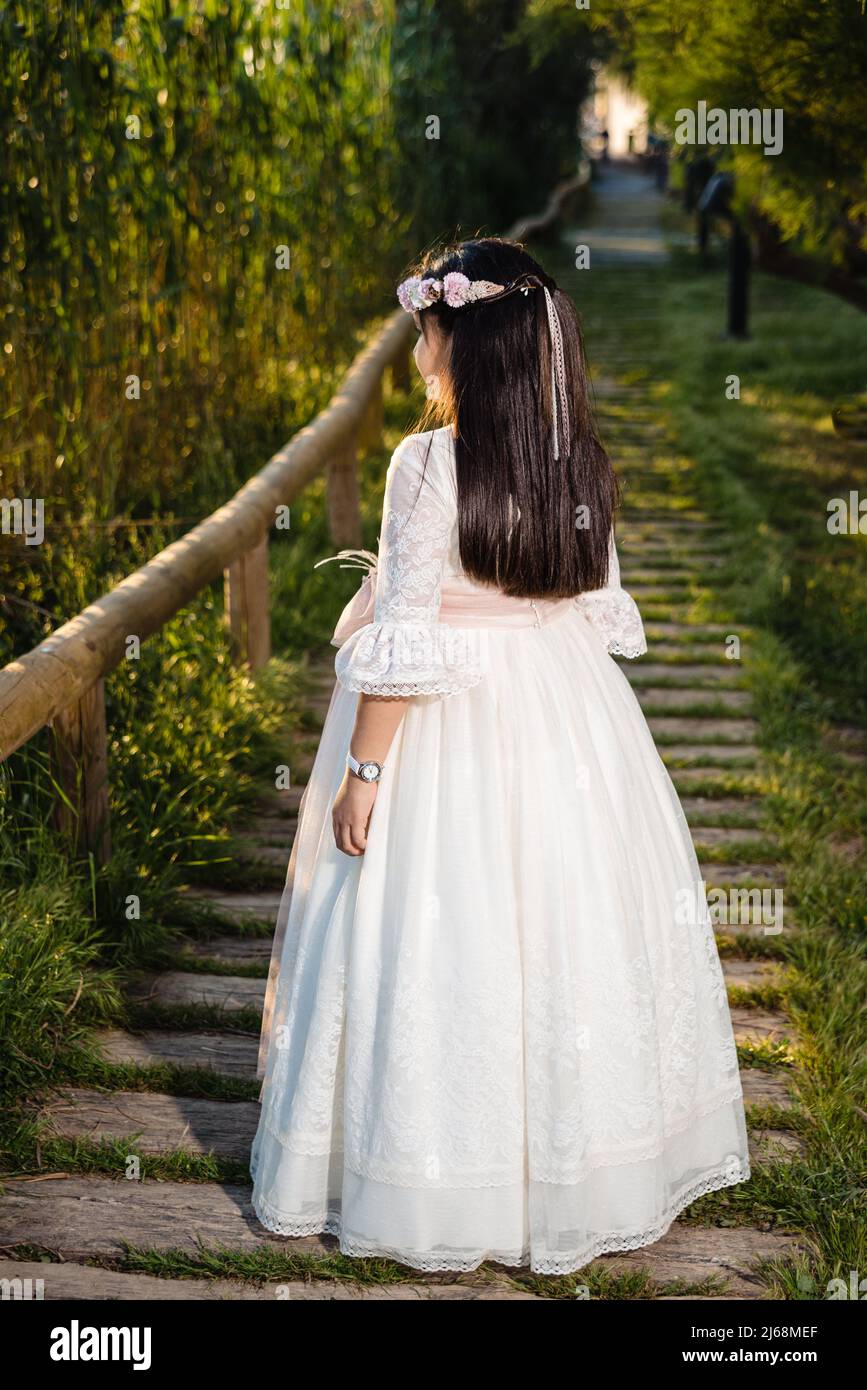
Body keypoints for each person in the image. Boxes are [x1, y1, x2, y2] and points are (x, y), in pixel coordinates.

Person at [249, 238, 751, 1275]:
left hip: (444, 728)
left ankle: (427, 1164)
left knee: (433, 930)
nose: (416, 339)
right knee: (560, 925)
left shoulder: (426, 463)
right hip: (565, 718)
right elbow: (588, 605)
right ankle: (574, 1161)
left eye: (425, 322)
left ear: (459, 340)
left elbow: (408, 629)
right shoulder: (578, 460)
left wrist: (366, 773)